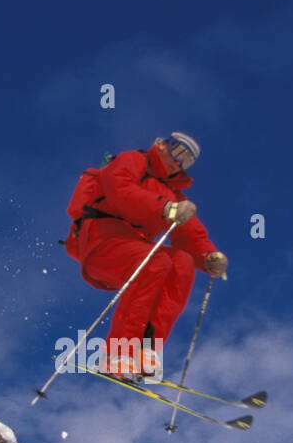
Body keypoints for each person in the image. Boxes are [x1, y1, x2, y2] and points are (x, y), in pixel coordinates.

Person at [62, 132, 228, 382]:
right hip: (101, 239)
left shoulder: (174, 193)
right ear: (161, 145)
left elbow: (191, 235)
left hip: (135, 249)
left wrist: (209, 257)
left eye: (187, 161)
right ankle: (117, 353)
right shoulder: (134, 160)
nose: (179, 162)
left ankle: (145, 350)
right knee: (156, 261)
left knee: (181, 263)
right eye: (177, 151)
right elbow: (120, 189)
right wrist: (166, 209)